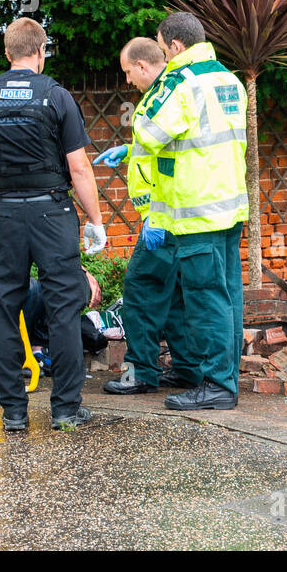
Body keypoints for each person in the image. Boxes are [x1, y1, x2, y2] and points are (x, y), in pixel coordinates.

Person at [0, 17, 107, 431]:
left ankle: (14, 412)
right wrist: (95, 221)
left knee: (4, 307)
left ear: (7, 53)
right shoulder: (56, 97)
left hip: (2, 215)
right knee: (63, 307)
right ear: (41, 51)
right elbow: (79, 167)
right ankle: (65, 409)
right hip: (52, 214)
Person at [129, 11, 248, 411]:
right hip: (229, 209)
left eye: (164, 49)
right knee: (227, 296)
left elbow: (148, 130)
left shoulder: (181, 83)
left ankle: (216, 385)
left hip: (196, 212)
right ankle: (226, 379)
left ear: (175, 46)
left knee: (205, 299)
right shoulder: (228, 79)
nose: (165, 57)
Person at [96, 37, 202, 394]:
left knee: (140, 290)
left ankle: (140, 373)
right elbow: (167, 148)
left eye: (128, 71)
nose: (128, 80)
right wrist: (130, 151)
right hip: (176, 218)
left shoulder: (162, 95)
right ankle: (188, 368)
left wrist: (156, 215)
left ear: (142, 65)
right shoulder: (171, 92)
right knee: (172, 294)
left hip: (163, 218)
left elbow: (170, 162)